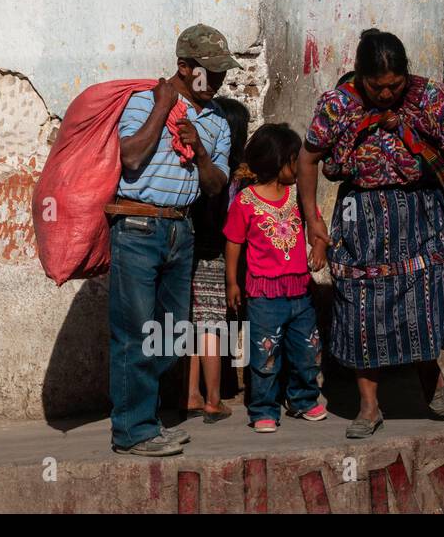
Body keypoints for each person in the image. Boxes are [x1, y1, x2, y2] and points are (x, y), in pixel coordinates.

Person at [298, 28, 444, 439]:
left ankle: (429, 372)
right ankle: (369, 406)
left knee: (421, 298)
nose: (387, 94)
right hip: (362, 215)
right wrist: (313, 219)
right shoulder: (337, 105)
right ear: (360, 76)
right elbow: (308, 158)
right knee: (361, 307)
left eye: (395, 85)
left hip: (419, 210)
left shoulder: (432, 99)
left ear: (407, 74)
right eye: (378, 86)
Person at [108, 24, 238, 457]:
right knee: (134, 333)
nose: (216, 82)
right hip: (138, 228)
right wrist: (163, 109)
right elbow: (129, 157)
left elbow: (217, 185)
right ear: (184, 66)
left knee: (170, 334)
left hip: (182, 230)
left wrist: (200, 151)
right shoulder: (145, 101)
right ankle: (133, 431)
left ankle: (147, 420)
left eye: (221, 75)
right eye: (209, 73)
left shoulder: (218, 120)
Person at [224, 124, 328, 432]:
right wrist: (233, 282)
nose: (299, 168)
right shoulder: (245, 201)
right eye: (294, 160)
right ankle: (264, 409)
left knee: (308, 350)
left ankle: (304, 400)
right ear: (277, 160)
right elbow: (233, 243)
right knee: (265, 355)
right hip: (264, 296)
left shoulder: (299, 197)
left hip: (300, 292)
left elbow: (317, 225)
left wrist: (319, 246)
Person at [184, 98, 249, 423]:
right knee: (211, 323)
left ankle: (191, 393)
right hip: (217, 253)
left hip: (190, 249)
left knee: (193, 324)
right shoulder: (234, 177)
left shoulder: (197, 166)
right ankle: (213, 398)